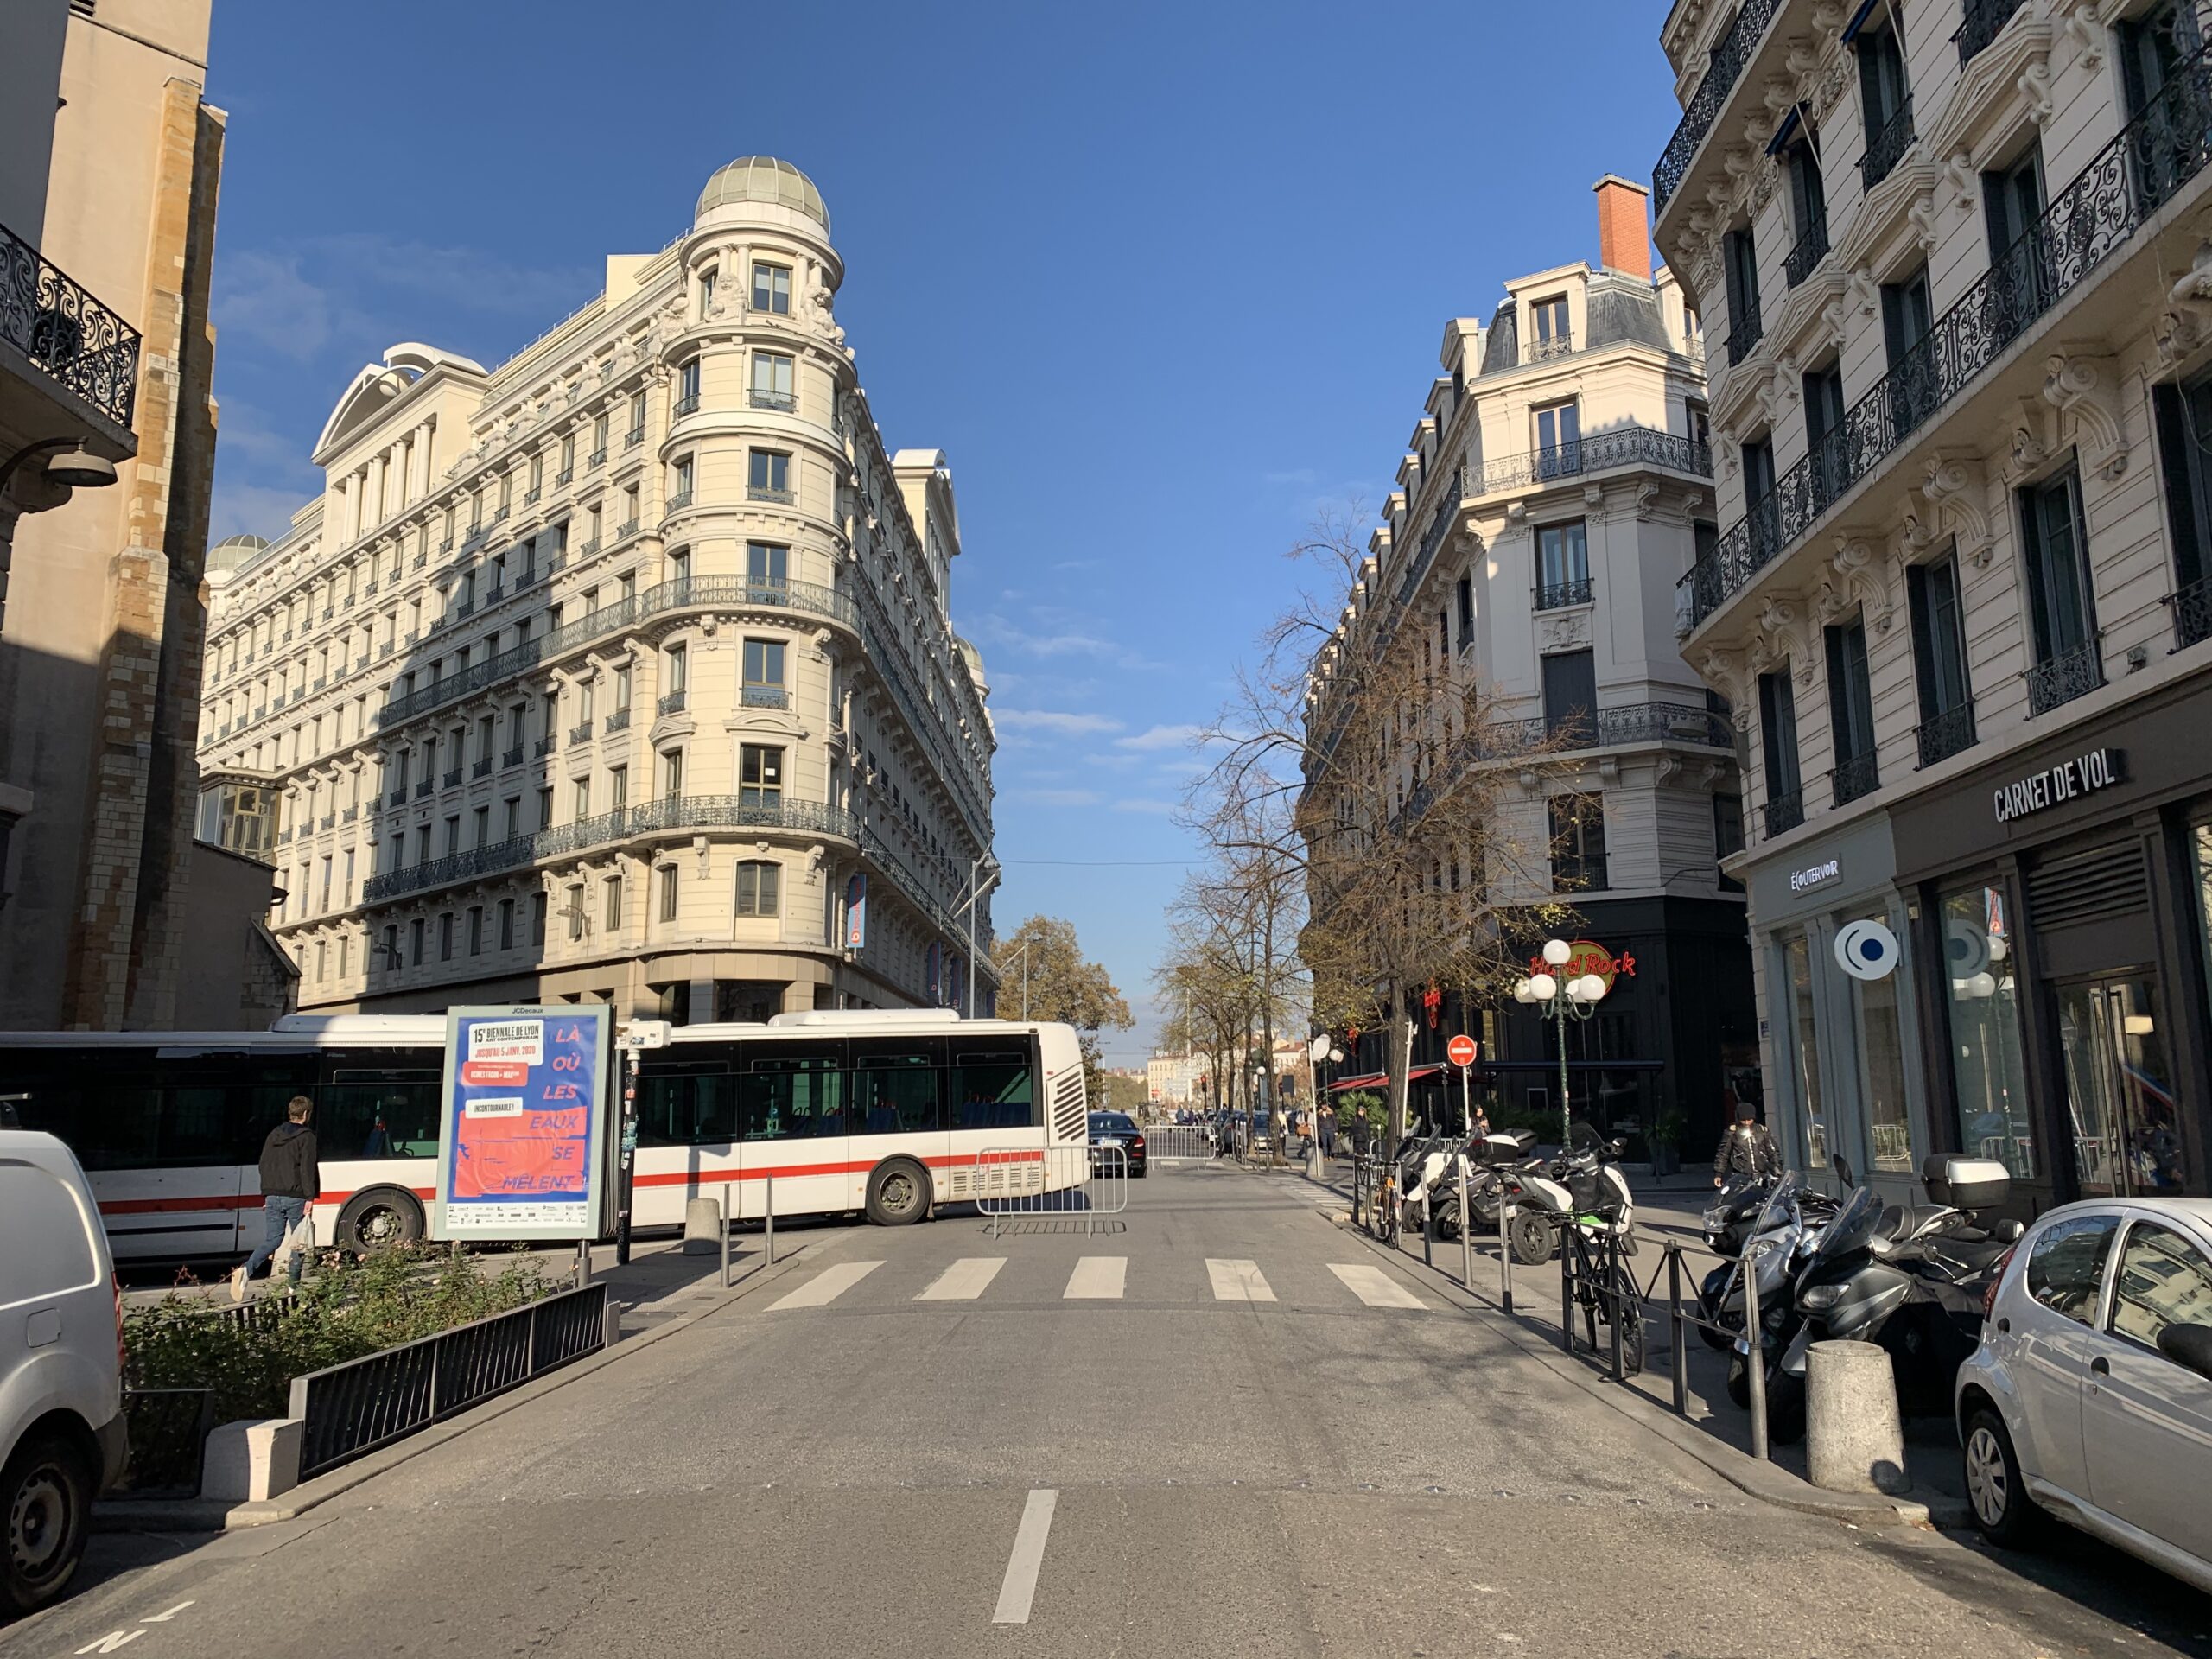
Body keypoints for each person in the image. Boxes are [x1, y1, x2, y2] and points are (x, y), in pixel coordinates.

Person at [232, 1095, 321, 1300]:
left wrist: (267, 1192)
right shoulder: (307, 1137)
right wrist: (310, 1197)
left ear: (290, 1112)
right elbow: (307, 1169)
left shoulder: (273, 1134)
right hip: (296, 1195)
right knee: (299, 1242)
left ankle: (246, 1269)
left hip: (272, 1195)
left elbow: (264, 1164)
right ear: (306, 1114)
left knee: (273, 1239)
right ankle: (293, 1286)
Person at [1712, 1102, 1782, 1187]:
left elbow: (1773, 1151)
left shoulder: (1762, 1131)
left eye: (1749, 1120)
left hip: (1762, 1175)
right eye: (1743, 1120)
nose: (1746, 1123)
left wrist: (1777, 1169)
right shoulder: (1732, 1132)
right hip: (1741, 1175)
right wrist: (1718, 1173)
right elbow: (1723, 1153)